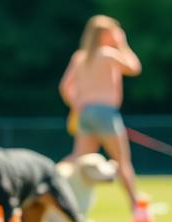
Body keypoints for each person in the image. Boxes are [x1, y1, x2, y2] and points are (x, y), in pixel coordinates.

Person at [59, 15, 142, 211]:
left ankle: (59, 191)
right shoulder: (107, 53)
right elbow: (134, 68)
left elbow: (65, 86)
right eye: (114, 31)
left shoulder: (79, 56)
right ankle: (136, 204)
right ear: (105, 34)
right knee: (122, 161)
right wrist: (123, 44)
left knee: (78, 162)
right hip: (105, 112)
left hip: (85, 113)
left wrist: (77, 104)